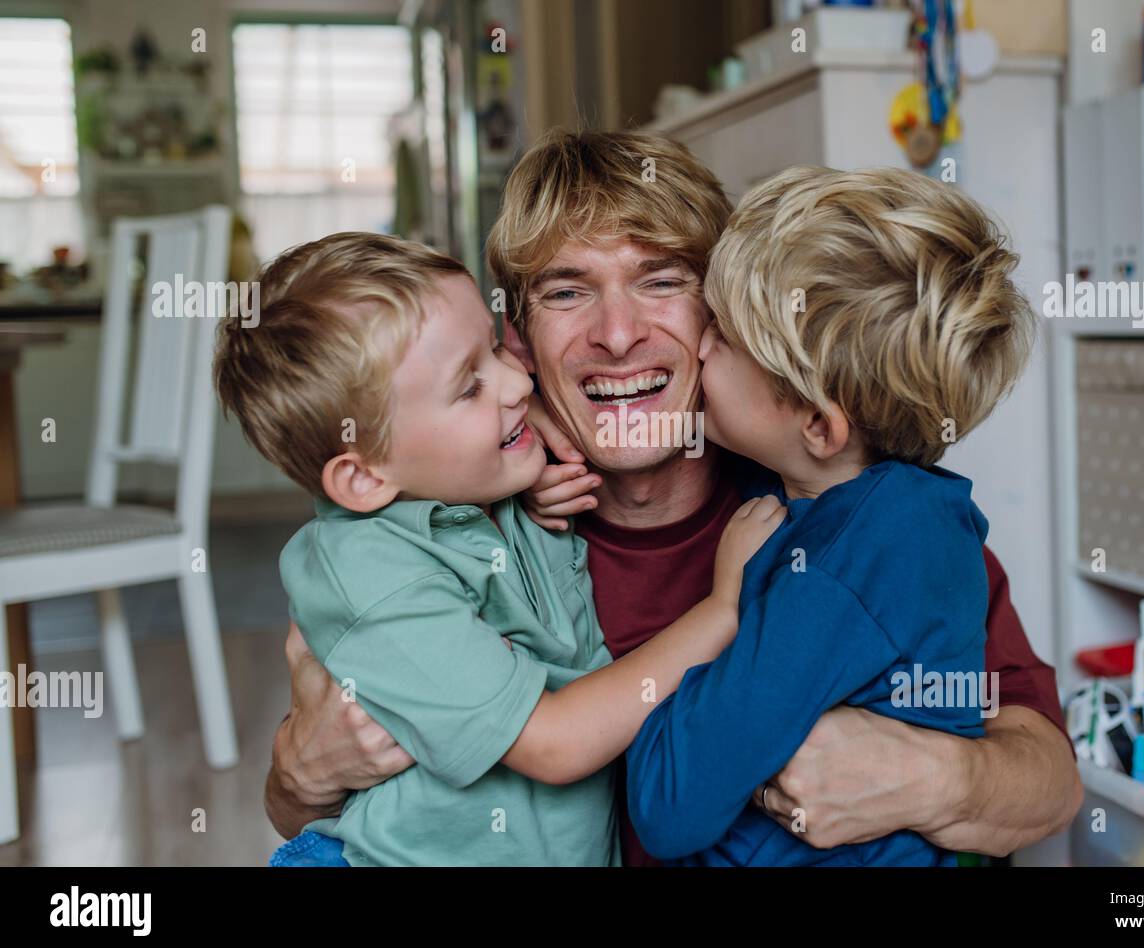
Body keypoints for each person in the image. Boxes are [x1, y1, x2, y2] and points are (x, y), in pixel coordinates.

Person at [265, 130, 1082, 865]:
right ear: (514, 338)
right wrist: (302, 773)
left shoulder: (846, 514)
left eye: (662, 280)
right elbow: (310, 812)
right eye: (566, 292)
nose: (618, 336)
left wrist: (937, 778)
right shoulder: (451, 534)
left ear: (724, 307)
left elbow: (1051, 785)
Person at [214, 232, 784, 865]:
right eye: (468, 386)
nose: (515, 382)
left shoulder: (479, 491)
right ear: (364, 478)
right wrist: (724, 608)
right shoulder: (375, 572)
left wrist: (521, 448)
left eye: (494, 349)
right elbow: (554, 744)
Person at [625, 165, 1035, 865]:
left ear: (820, 426)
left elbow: (669, 805)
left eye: (723, 338)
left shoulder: (835, 574)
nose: (698, 346)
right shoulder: (915, 514)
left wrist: (728, 606)